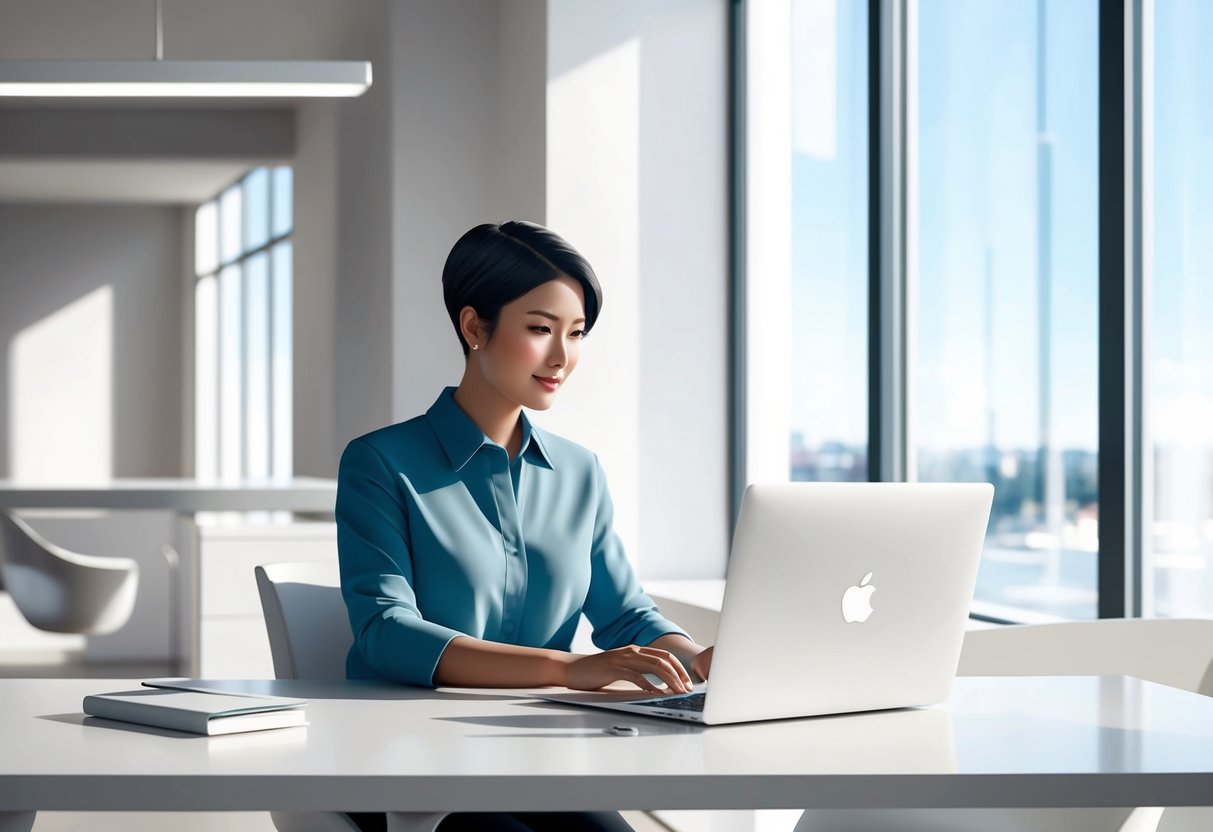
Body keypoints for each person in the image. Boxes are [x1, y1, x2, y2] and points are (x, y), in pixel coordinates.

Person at [335, 221, 715, 832]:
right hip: (406, 757)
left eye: (577, 333)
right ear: (474, 327)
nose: (562, 357)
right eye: (540, 329)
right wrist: (567, 670)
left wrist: (697, 662)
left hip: (539, 752)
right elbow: (386, 632)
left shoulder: (579, 471)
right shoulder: (380, 462)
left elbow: (624, 613)